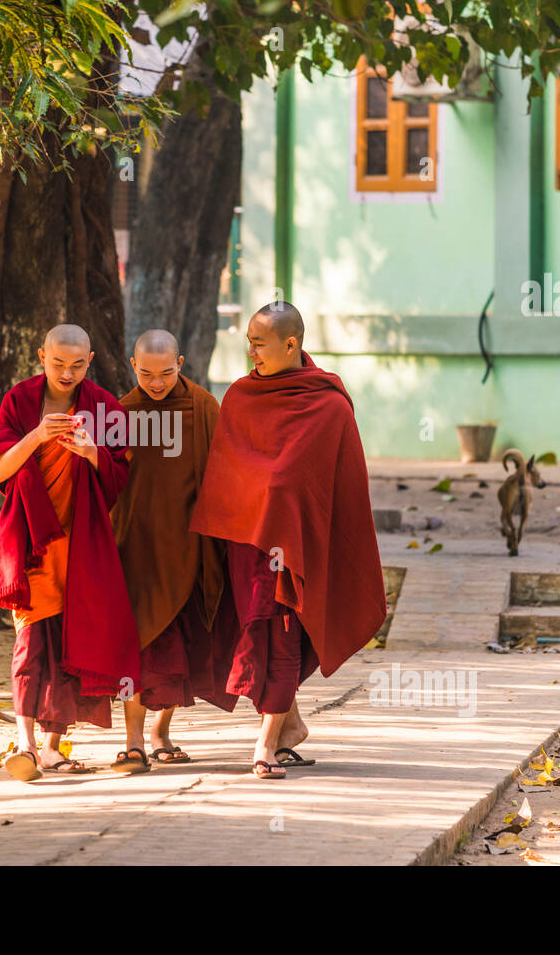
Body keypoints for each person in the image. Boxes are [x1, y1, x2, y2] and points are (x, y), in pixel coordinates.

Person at [190, 302, 387, 779]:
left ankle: (263, 745)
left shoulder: (328, 403)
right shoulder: (240, 396)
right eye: (249, 343)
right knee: (255, 630)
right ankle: (290, 725)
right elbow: (228, 472)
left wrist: (282, 501)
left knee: (278, 633)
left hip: (295, 546)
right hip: (246, 540)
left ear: (291, 344)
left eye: (259, 344)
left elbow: (336, 489)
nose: (251, 352)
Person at [0, 323, 141, 781]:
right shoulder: (19, 401)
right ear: (41, 357)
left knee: (73, 642)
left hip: (83, 544)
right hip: (32, 541)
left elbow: (118, 480)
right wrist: (35, 437)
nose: (66, 373)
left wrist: (92, 451)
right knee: (31, 642)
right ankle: (24, 744)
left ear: (89, 361)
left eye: (76, 364)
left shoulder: (105, 407)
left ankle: (51, 748)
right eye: (57, 363)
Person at [109, 329, 236, 774]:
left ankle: (161, 732)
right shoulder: (121, 413)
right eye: (146, 374)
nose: (156, 383)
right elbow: (109, 484)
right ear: (132, 365)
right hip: (136, 548)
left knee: (180, 646)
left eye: (165, 373)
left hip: (189, 546)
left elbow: (225, 473)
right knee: (140, 644)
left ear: (180, 363)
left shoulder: (203, 408)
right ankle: (132, 742)